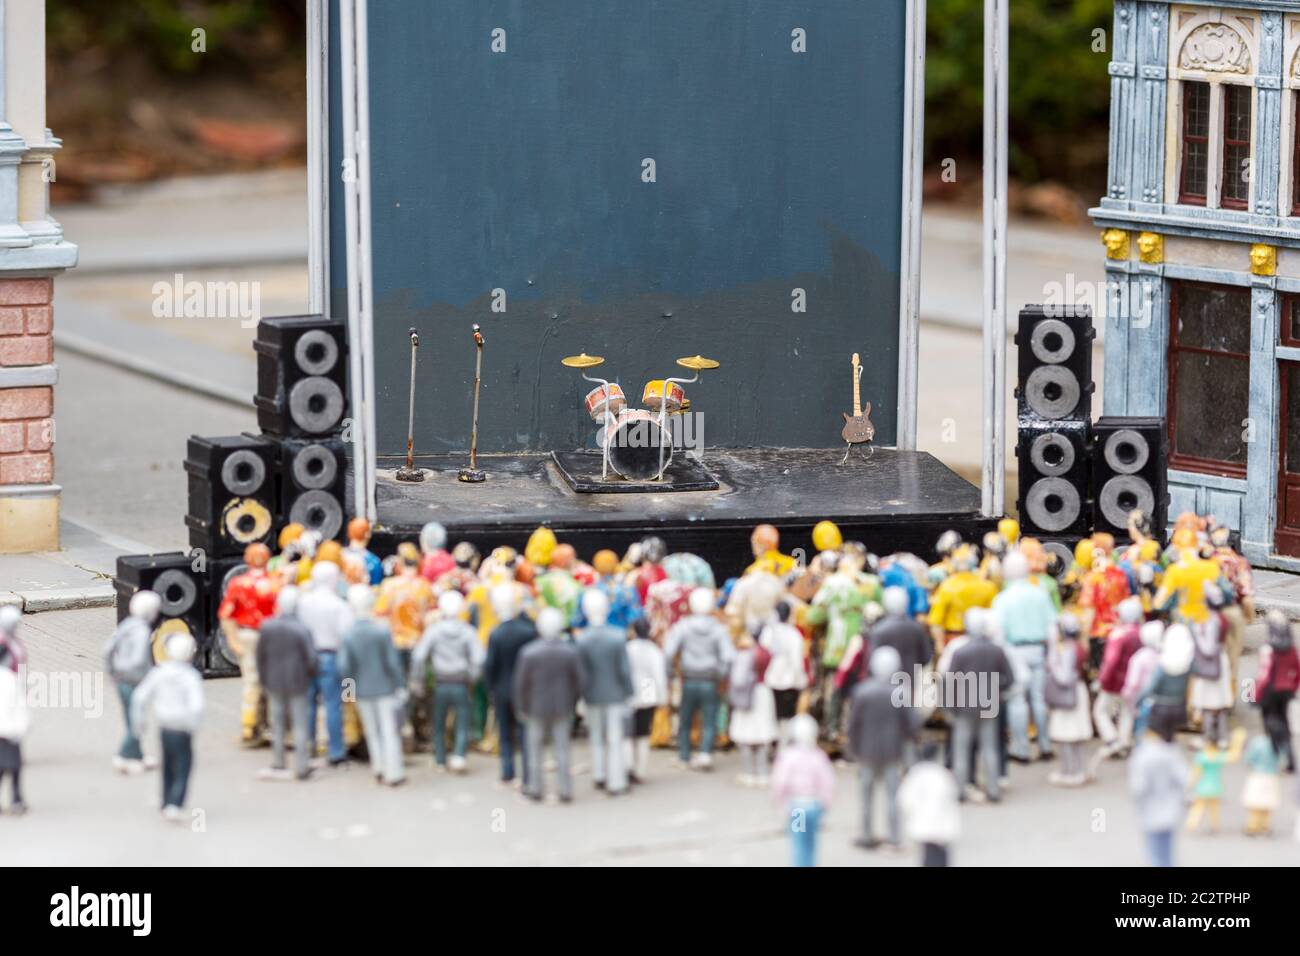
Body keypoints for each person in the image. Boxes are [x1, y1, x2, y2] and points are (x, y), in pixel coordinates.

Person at [847, 646, 917, 851]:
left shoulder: (862, 691)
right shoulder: (900, 693)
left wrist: (854, 748)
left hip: (866, 751)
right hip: (892, 751)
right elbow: (912, 724)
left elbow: (853, 725)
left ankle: (866, 834)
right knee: (893, 796)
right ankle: (894, 837)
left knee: (866, 795)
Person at [990, 550, 1056, 763]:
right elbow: (1052, 628)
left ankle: (1021, 748)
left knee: (1017, 700)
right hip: (1038, 649)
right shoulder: (1040, 594)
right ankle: (1045, 744)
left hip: (1014, 651)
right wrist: (1053, 655)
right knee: (1039, 699)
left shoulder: (1003, 599)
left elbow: (998, 632)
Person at [131, 632, 204, 822]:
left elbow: (140, 697)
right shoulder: (191, 676)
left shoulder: (159, 672)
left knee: (168, 764)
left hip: (165, 727)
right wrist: (194, 725)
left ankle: (165, 800)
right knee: (184, 766)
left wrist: (139, 723)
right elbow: (197, 706)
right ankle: (175, 804)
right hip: (183, 728)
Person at [338, 584, 406, 786]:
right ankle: (393, 772)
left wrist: (348, 693)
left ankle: (378, 767)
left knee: (372, 730)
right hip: (385, 688)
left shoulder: (349, 634)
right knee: (389, 730)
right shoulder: (381, 631)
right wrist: (400, 685)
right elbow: (392, 663)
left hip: (362, 689)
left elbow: (344, 667)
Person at [514, 607, 585, 803]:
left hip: (535, 707)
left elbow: (521, 684)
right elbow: (579, 681)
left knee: (534, 749)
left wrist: (522, 707)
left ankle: (535, 788)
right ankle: (565, 790)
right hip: (562, 706)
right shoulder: (569, 652)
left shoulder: (529, 653)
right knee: (562, 749)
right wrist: (572, 701)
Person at [945, 608, 1014, 803]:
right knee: (990, 748)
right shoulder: (996, 651)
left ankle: (960, 790)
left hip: (964, 706)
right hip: (988, 704)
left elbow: (951, 681)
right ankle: (993, 790)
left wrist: (950, 707)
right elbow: (1009, 679)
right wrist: (994, 689)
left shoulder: (960, 652)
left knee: (961, 749)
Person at [411, 590, 485, 773]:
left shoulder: (434, 631)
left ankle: (440, 759)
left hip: (440, 682)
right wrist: (473, 677)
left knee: (438, 722)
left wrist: (418, 679)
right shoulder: (468, 632)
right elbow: (479, 658)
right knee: (463, 721)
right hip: (461, 682)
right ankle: (459, 756)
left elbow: (419, 656)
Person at [663, 587, 735, 770]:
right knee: (709, 718)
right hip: (710, 679)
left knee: (685, 718)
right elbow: (728, 657)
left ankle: (684, 756)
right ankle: (705, 755)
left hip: (688, 678)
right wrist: (721, 674)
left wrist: (670, 673)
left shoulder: (683, 626)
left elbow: (669, 651)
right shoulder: (718, 629)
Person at [216, 542, 279, 745]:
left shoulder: (239, 583)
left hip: (248, 635)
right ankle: (268, 724)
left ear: (247, 559)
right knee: (271, 681)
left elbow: (226, 615)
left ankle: (249, 724)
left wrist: (233, 640)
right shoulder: (275, 583)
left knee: (251, 680)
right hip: (271, 636)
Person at [575, 589, 634, 796]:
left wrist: (580, 694)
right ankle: (616, 782)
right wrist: (629, 692)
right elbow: (624, 670)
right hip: (615, 693)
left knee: (596, 736)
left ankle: (599, 775)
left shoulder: (582, 640)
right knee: (615, 738)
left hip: (591, 694)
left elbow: (580, 672)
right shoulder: (617, 636)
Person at [255, 586, 317, 781]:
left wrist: (263, 678)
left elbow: (260, 657)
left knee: (278, 723)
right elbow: (311, 658)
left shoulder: (267, 627)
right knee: (300, 724)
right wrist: (310, 675)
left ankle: (278, 761)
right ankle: (302, 765)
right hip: (298, 681)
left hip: (273, 681)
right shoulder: (301, 629)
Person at [297, 560, 354, 766]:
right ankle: (336, 751)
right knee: (333, 705)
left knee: (308, 704)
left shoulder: (304, 603)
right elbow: (347, 635)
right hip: (331, 656)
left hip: (307, 655)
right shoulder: (339, 605)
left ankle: (308, 746)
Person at [483, 583, 538, 787]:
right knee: (525, 733)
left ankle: (507, 772)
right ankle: (528, 774)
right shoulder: (528, 631)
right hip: (525, 689)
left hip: (502, 689)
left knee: (505, 733)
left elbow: (490, 665)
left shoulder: (496, 634)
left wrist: (491, 687)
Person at [104, 590, 160, 774]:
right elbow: (138, 659)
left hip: (120, 681)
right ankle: (123, 756)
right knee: (138, 722)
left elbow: (107, 649)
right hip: (135, 681)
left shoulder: (126, 625)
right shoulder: (143, 631)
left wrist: (112, 671)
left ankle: (138, 755)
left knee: (131, 719)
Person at [1128, 707, 1189, 867]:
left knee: (1155, 854)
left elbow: (1138, 788)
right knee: (1167, 854)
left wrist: (1138, 805)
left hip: (1150, 812)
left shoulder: (1143, 755)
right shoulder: (1172, 752)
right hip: (1171, 811)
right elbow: (1184, 779)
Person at [770, 714, 834, 867]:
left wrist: (780, 803)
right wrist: (825, 804)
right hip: (814, 805)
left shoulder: (788, 757)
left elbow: (780, 782)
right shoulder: (818, 756)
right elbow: (827, 782)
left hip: (797, 807)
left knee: (799, 844)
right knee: (811, 843)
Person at [1093, 596, 1144, 759]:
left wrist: (1102, 680)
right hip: (1133, 681)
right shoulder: (1141, 633)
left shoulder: (1118, 634)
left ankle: (1112, 740)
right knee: (1127, 711)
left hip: (1115, 682)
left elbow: (1111, 661)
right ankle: (1124, 741)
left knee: (1100, 710)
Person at [1045, 614, 1092, 787]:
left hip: (1067, 693)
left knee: (1065, 735)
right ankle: (1079, 771)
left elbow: (1064, 677)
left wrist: (1053, 663)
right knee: (1077, 735)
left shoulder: (1067, 650)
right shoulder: (1080, 646)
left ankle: (1068, 772)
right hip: (1078, 690)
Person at [728, 629, 778, 788]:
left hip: (748, 694)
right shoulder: (768, 653)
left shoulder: (746, 654)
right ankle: (763, 773)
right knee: (762, 735)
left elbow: (738, 678)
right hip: (764, 692)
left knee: (746, 735)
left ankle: (748, 773)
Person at [897, 742, 960, 867]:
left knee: (928, 856)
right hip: (942, 826)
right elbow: (952, 796)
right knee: (941, 857)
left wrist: (912, 814)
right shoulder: (943, 774)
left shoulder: (915, 773)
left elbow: (905, 798)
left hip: (923, 824)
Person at [1189, 583, 1233, 750]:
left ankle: (1208, 738)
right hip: (1221, 660)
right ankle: (1223, 738)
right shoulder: (1222, 618)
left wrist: (1197, 634)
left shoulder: (1209, 621)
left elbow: (1208, 648)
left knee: (1207, 703)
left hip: (1210, 663)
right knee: (1220, 703)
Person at [624, 617, 667, 784]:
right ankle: (640, 770)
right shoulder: (653, 650)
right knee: (643, 732)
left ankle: (628, 765)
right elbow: (659, 675)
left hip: (631, 689)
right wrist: (662, 697)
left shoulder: (628, 648)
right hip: (648, 686)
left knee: (628, 732)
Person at [1255, 611, 1298, 773]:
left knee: (1270, 723)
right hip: (1286, 691)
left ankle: (1273, 756)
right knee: (1284, 722)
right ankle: (1290, 759)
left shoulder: (1267, 649)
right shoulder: (1292, 649)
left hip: (1270, 691)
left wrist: (1257, 694)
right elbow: (1297, 671)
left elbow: (1264, 674)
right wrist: (1292, 687)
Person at [1185, 728, 1247, 834]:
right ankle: (1214, 825)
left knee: (1198, 807)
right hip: (1215, 785)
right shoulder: (1218, 756)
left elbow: (1196, 773)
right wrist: (1237, 742)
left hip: (1203, 785)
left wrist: (1189, 783)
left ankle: (1192, 824)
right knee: (1214, 807)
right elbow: (1233, 757)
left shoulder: (1202, 757)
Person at [761, 600, 807, 740]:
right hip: (789, 681)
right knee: (786, 716)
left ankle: (772, 742)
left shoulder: (768, 632)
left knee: (770, 714)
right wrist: (801, 680)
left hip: (770, 679)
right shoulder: (794, 634)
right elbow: (797, 661)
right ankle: (783, 744)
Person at [0, 643, 28, 814]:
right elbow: (21, 707)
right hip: (10, 731)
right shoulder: (12, 680)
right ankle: (16, 799)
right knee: (15, 767)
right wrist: (23, 727)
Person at [1241, 734, 1282, 836]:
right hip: (1272, 776)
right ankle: (1265, 826)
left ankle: (1252, 826)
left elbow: (1248, 759)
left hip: (1258, 775)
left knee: (1255, 803)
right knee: (1267, 803)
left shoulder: (1258, 742)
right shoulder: (1279, 742)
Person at [345, 517, 384, 586]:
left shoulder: (338, 556)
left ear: (349, 533)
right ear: (367, 535)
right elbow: (375, 587)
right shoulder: (373, 561)